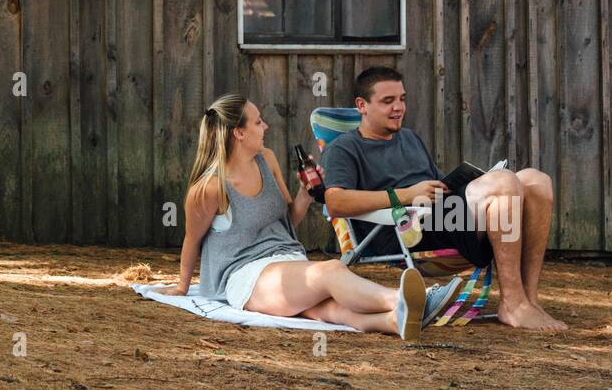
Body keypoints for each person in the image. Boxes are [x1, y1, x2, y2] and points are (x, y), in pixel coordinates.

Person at [158, 93, 460, 341]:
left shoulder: (266, 160)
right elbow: (192, 239)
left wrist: (304, 193)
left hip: (287, 259)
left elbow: (288, 221)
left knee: (328, 309)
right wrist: (182, 287)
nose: (266, 127)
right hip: (244, 276)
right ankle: (408, 299)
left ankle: (395, 320)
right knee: (329, 272)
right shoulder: (209, 187)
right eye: (259, 122)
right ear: (238, 133)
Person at [321, 66, 567, 331]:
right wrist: (406, 195)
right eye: (388, 101)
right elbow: (336, 202)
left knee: (536, 181)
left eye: (402, 99)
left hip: (444, 215)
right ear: (362, 105)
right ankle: (512, 303)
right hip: (405, 228)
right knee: (505, 182)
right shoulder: (344, 148)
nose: (399, 107)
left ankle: (528, 299)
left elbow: (440, 186)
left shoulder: (409, 138)